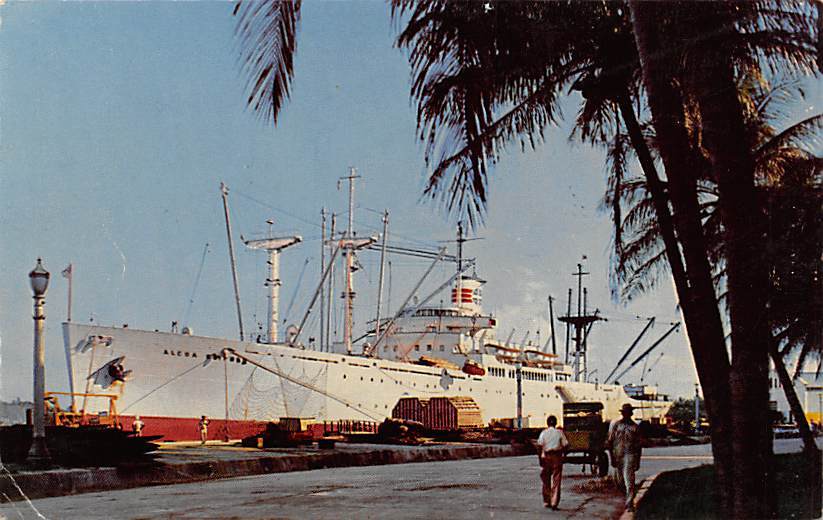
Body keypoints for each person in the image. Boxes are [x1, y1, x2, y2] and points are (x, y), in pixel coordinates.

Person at [607, 403, 643, 511]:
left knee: (629, 480)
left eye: (628, 413)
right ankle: (628, 496)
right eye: (625, 413)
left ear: (630, 414)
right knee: (620, 481)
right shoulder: (616, 425)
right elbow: (610, 442)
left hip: (630, 454)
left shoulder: (635, 427)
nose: (626, 415)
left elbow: (639, 445)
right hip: (618, 454)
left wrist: (638, 460)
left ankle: (629, 503)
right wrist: (611, 457)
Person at [536, 415, 569, 510]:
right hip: (557, 457)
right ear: (555, 423)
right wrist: (563, 454)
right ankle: (554, 502)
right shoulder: (559, 433)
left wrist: (540, 459)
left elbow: (539, 446)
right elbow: (566, 444)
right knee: (556, 480)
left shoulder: (544, 433)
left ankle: (547, 501)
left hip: (546, 457)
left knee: (545, 479)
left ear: (547, 423)